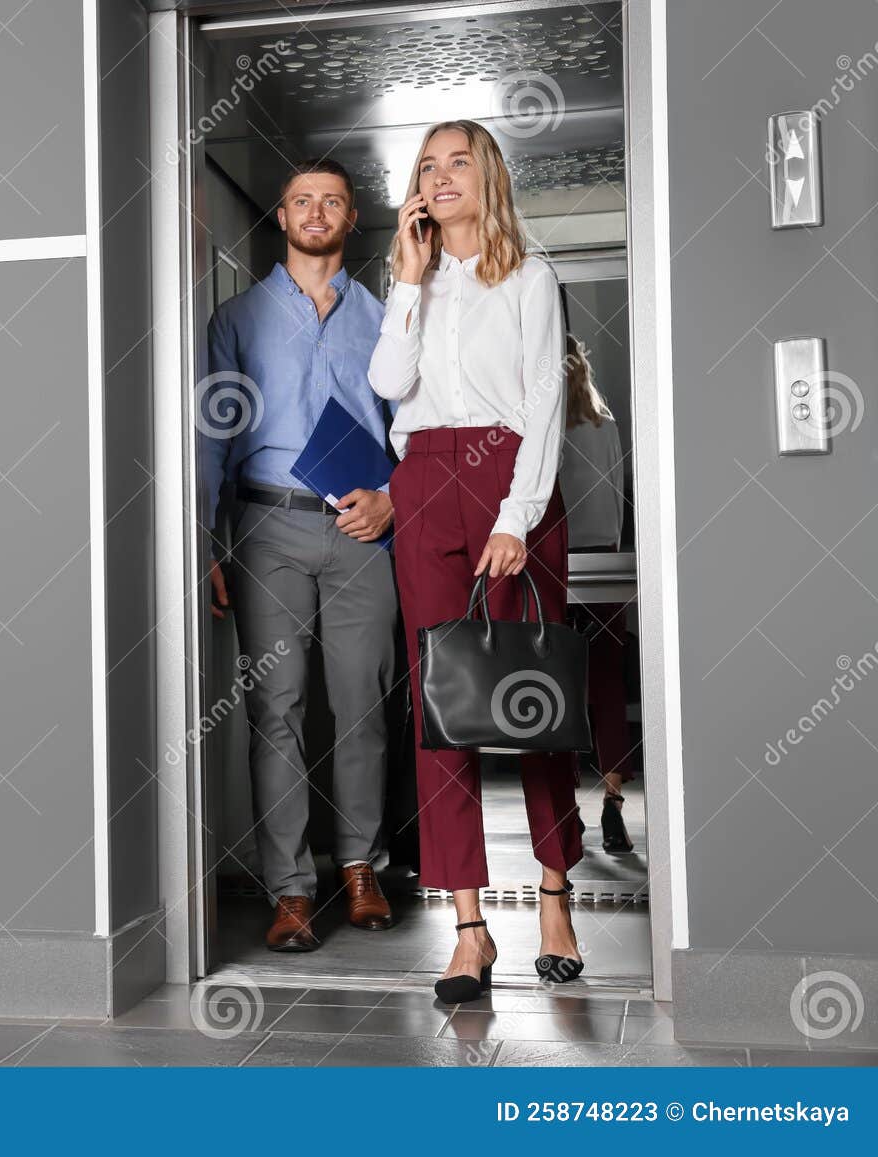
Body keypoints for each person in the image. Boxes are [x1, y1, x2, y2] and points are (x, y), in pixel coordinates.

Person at [367, 120, 585, 1003]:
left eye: (459, 161)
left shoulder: (530, 277)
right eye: (429, 165)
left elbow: (545, 400)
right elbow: (388, 384)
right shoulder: (412, 281)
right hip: (420, 480)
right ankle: (467, 926)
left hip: (507, 477)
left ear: (488, 176)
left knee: (535, 694)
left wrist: (517, 516)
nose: (442, 174)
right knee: (441, 706)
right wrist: (408, 284)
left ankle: (557, 895)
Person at [201, 158, 400, 952]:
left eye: (333, 202)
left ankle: (359, 866)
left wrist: (393, 499)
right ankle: (289, 889)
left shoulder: (387, 317)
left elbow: (411, 433)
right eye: (302, 201)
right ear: (281, 218)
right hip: (265, 529)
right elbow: (209, 440)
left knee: (363, 706)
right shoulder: (236, 319)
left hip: (361, 530)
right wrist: (208, 543)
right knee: (273, 708)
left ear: (352, 220)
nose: (317, 212)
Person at [558, 334, 637, 853]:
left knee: (557, 690)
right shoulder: (605, 427)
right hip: (604, 559)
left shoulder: (539, 430)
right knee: (607, 684)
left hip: (559, 561)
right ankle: (613, 806)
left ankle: (565, 814)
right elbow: (617, 492)